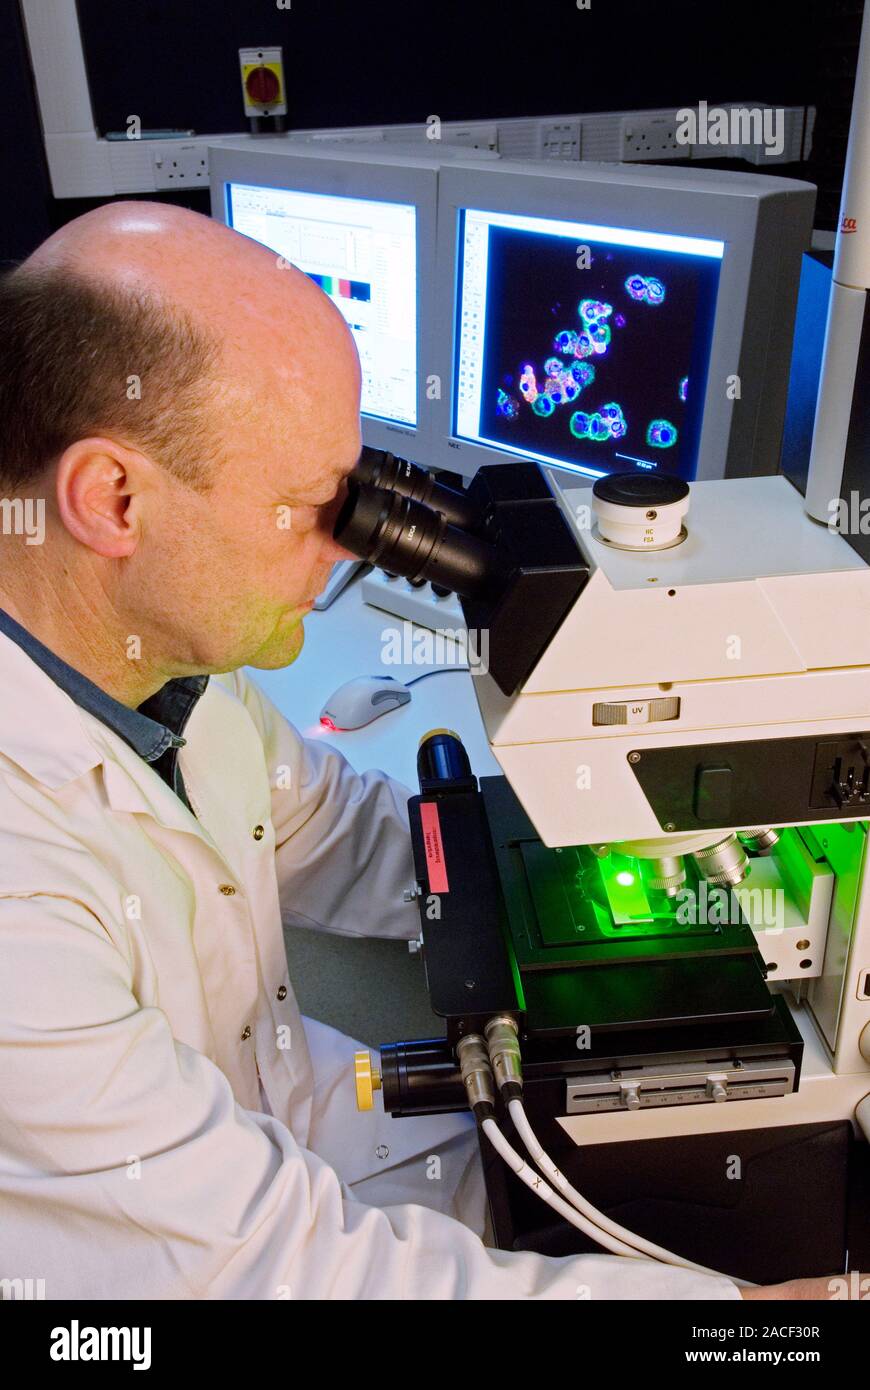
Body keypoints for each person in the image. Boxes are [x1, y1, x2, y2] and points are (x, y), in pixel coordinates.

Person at [0, 202, 834, 1299]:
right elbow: (286, 1273)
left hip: (295, 1133)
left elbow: (334, 830)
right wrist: (748, 1321)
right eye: (310, 503)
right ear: (114, 499)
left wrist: (612, 873)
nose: (349, 539)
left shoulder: (156, 665)